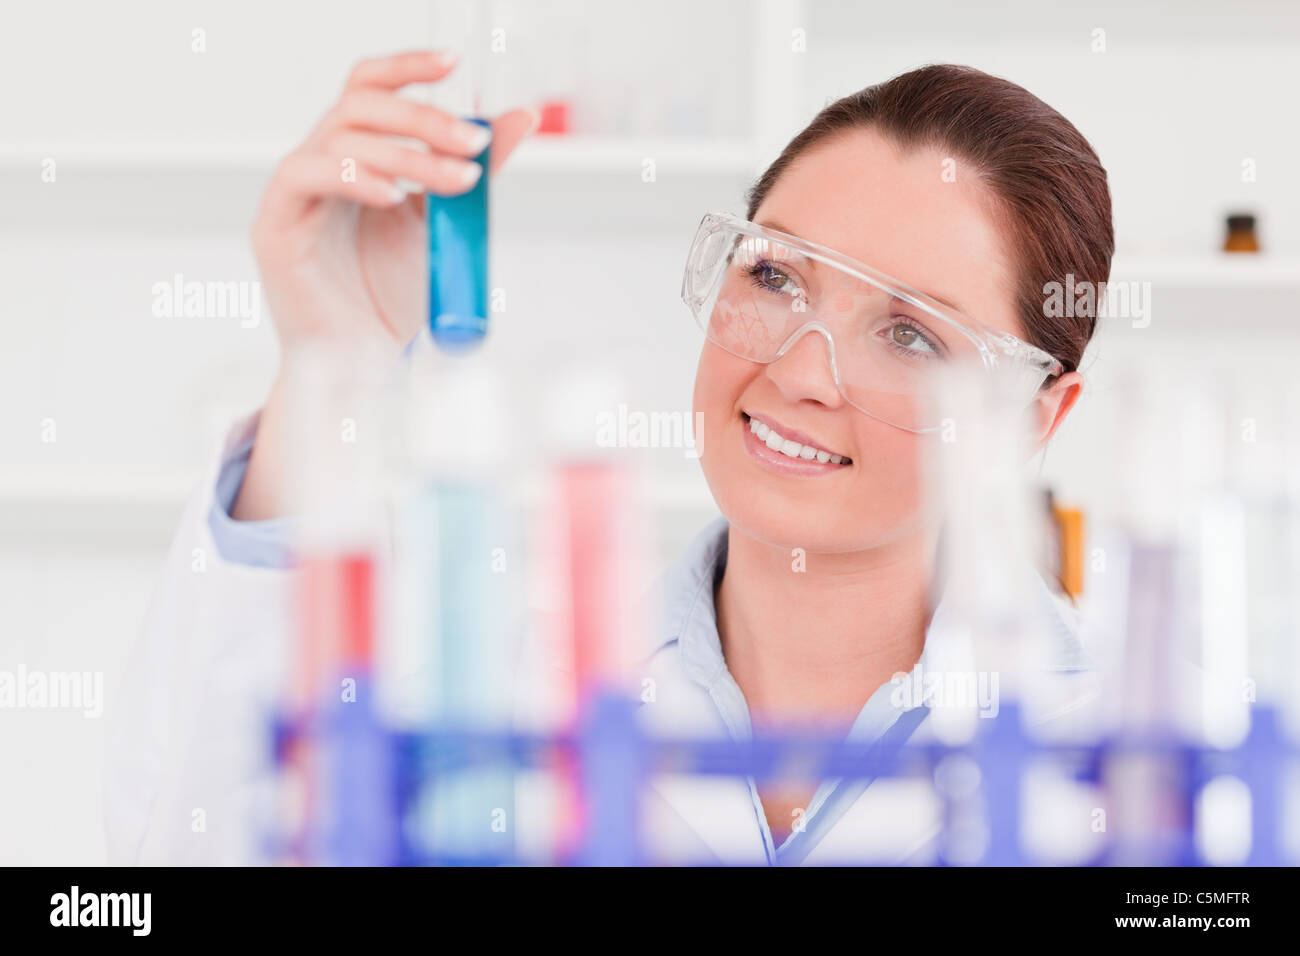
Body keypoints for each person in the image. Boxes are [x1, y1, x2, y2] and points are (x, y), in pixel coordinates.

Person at [105, 51, 1112, 866]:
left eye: (911, 334)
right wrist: (334, 359)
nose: (806, 372)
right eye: (775, 276)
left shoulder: (1124, 750)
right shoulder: (491, 691)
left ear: (1032, 418)